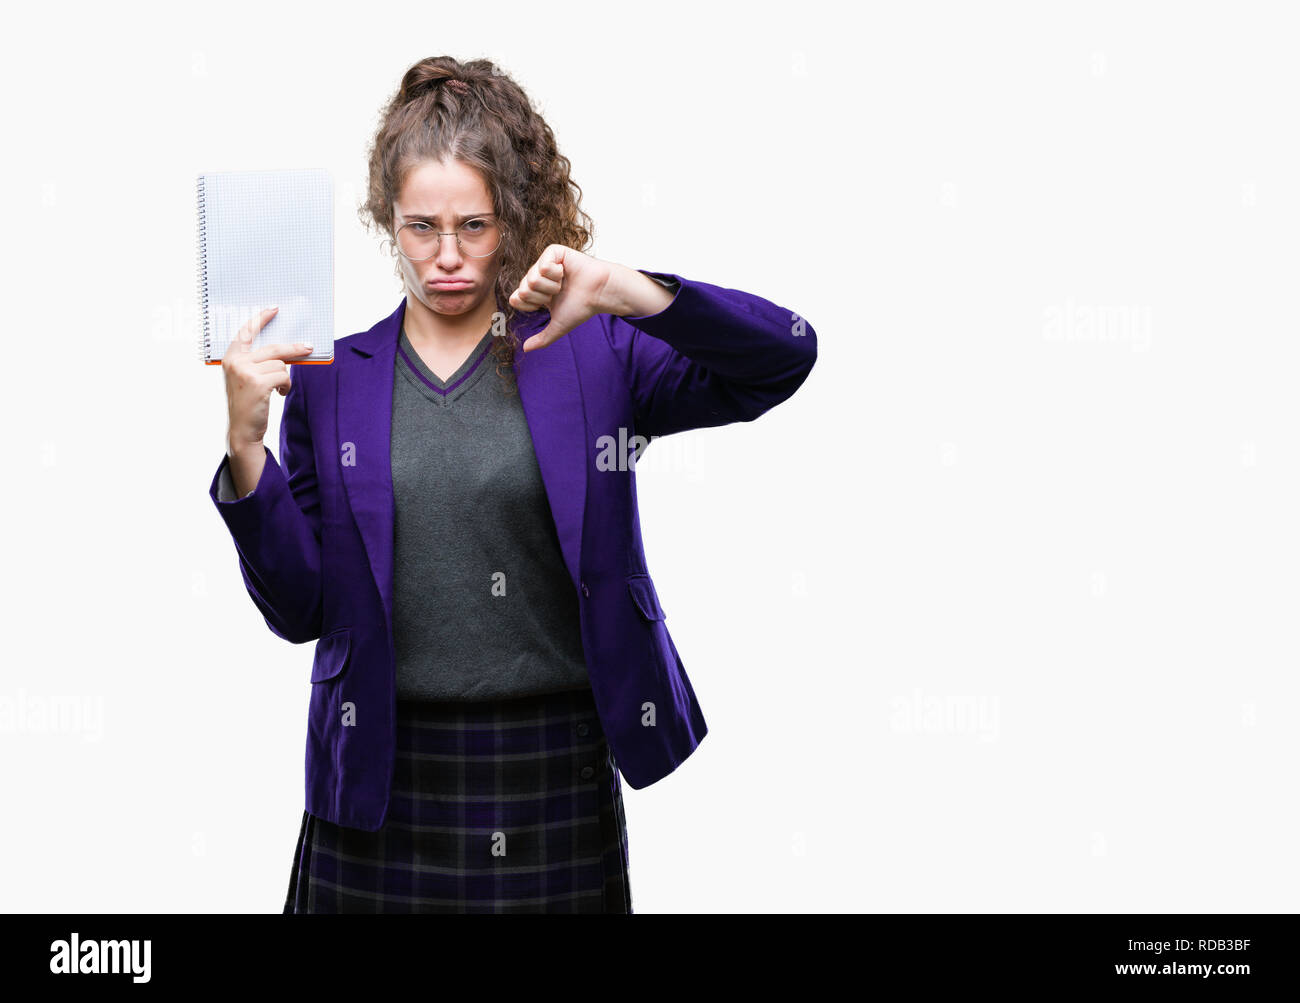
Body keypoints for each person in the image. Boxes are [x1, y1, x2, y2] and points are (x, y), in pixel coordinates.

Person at [209, 55, 817, 913]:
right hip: (378, 777)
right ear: (387, 218)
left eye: (476, 226)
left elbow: (783, 357)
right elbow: (299, 611)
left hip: (552, 779)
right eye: (423, 227)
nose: (448, 258)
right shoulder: (329, 377)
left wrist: (623, 289)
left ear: (514, 219)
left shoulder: (593, 351)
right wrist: (245, 447)